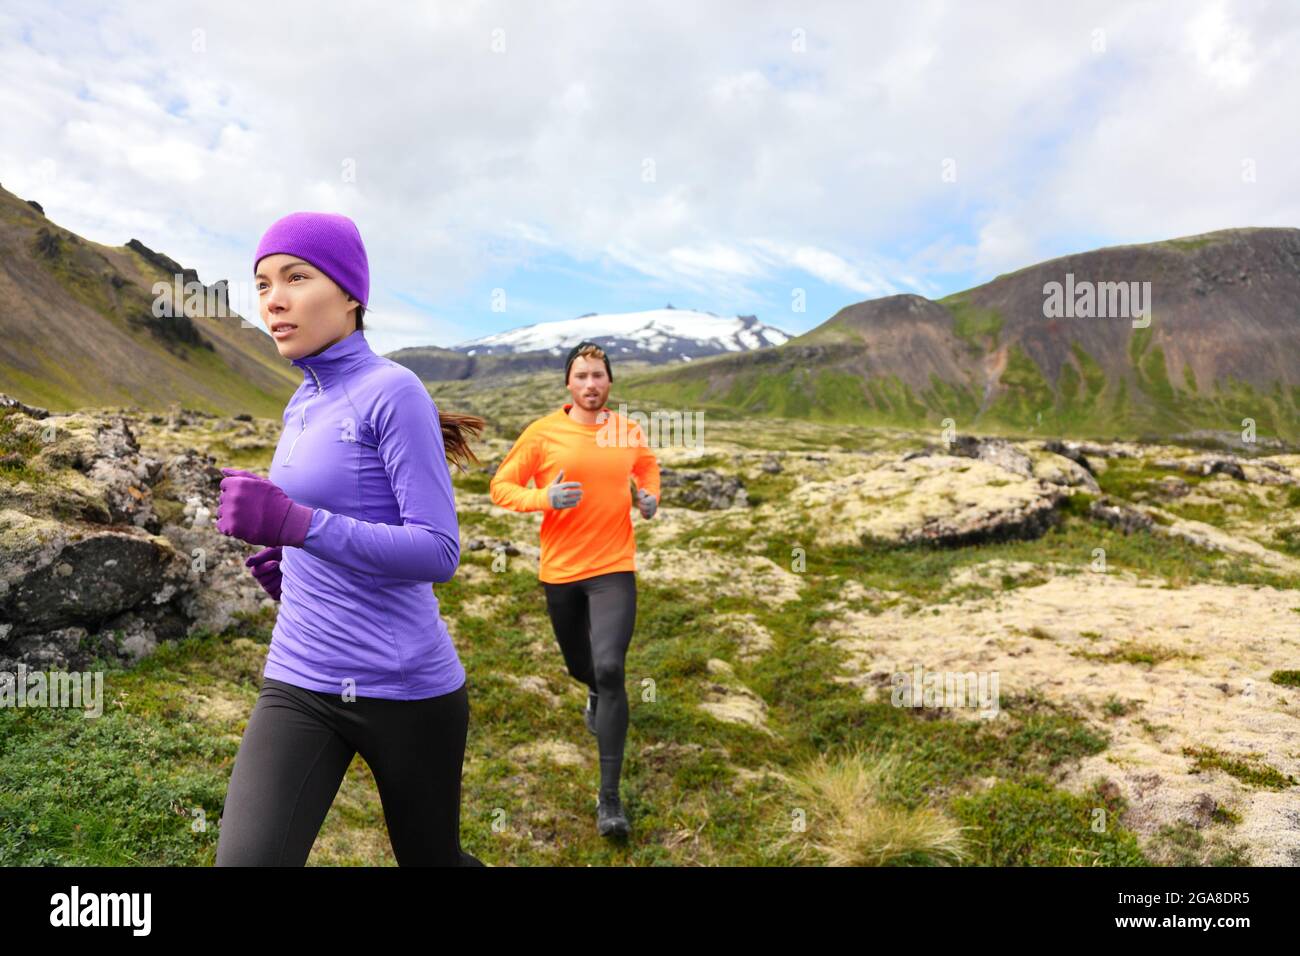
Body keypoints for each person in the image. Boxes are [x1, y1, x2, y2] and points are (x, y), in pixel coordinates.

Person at [213, 211, 486, 866]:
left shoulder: (394, 392)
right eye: (261, 284)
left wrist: (298, 525)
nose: (272, 300)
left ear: (351, 294)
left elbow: (436, 550)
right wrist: (291, 559)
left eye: (295, 277)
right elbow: (335, 521)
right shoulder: (302, 400)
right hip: (299, 674)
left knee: (433, 862)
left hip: (404, 687)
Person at [488, 341, 660, 837]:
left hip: (613, 567)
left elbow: (645, 469)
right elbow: (502, 487)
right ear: (569, 382)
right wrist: (546, 497)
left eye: (599, 376)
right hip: (561, 571)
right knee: (580, 666)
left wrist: (649, 498)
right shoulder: (543, 434)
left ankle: (610, 800)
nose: (591, 384)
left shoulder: (625, 431)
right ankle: (592, 691)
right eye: (582, 376)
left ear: (610, 383)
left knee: (611, 668)